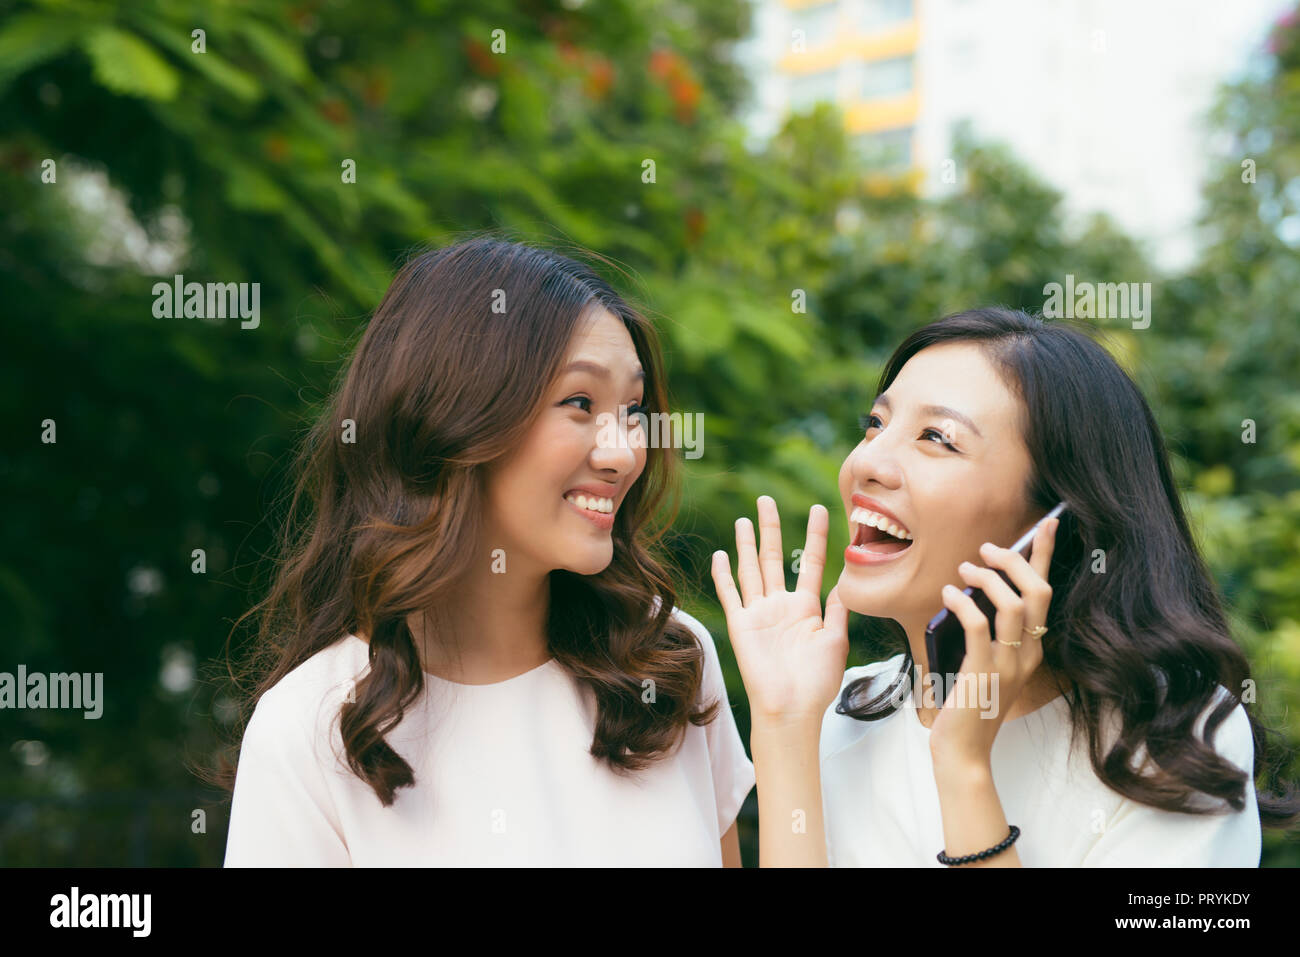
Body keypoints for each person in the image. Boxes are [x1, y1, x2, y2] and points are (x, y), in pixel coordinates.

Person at [210, 236, 754, 866]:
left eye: (632, 409)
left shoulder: (666, 665)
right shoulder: (306, 730)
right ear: (456, 419)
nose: (624, 451)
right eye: (580, 402)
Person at [711, 307, 1298, 866]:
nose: (866, 462)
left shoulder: (1174, 739)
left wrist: (964, 765)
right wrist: (784, 726)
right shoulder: (846, 709)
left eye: (936, 438)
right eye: (876, 423)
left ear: (1054, 520)